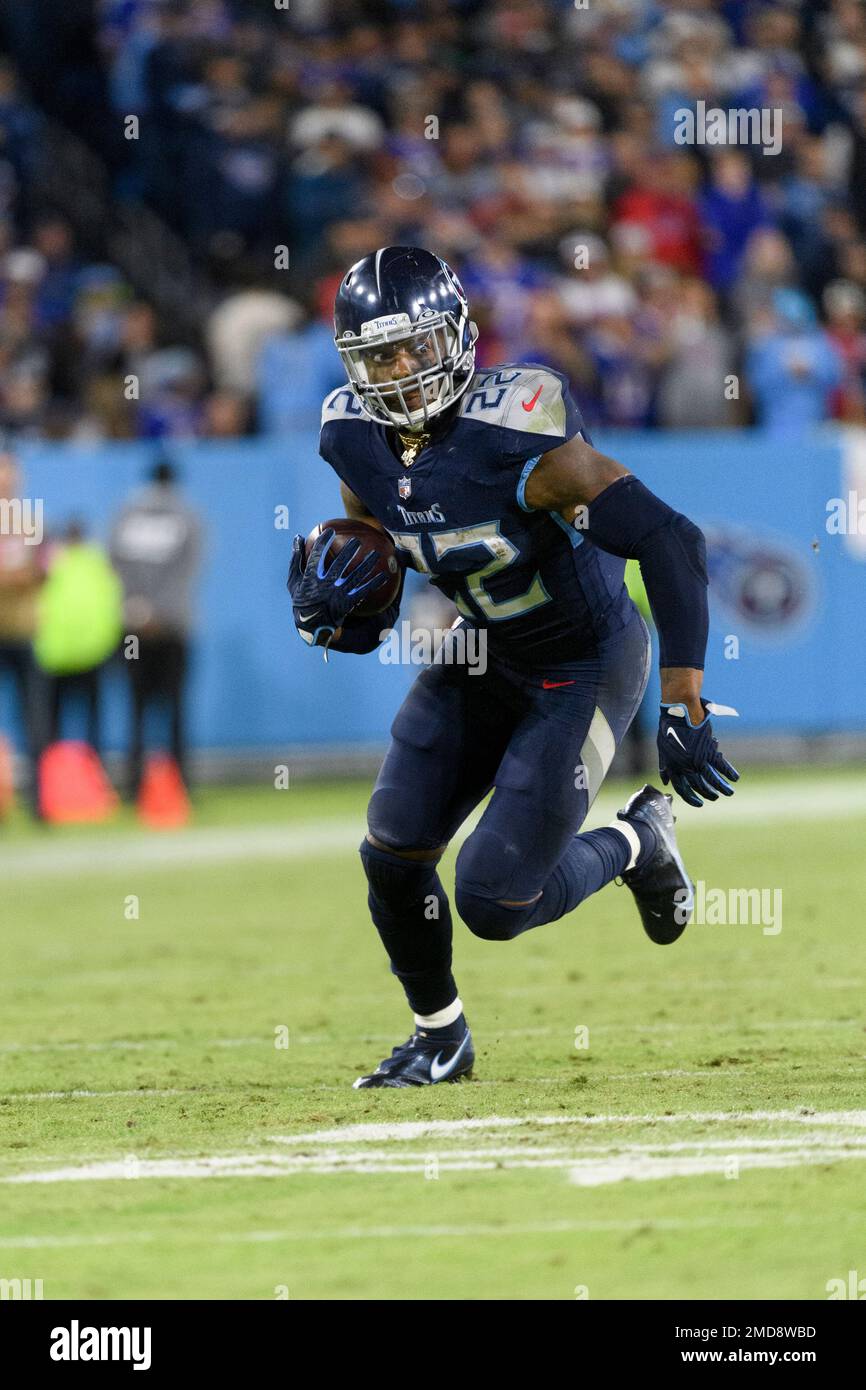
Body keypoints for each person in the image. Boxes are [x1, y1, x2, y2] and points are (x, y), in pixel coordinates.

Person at [288, 246, 739, 1089]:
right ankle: (440, 1038)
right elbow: (381, 525)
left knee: (493, 901)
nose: (398, 370)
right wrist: (361, 591)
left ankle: (639, 841)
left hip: (585, 658)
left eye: (413, 347)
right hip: (485, 650)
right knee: (391, 849)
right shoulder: (351, 435)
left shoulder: (517, 427)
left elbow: (669, 539)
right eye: (378, 355)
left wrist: (685, 701)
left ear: (455, 335)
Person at [109, 459, 202, 795]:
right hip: (172, 628)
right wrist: (162, 612)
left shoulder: (126, 515)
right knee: (176, 709)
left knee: (136, 711)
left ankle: (134, 787)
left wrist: (138, 607)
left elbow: (115, 564)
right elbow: (187, 570)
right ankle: (181, 786)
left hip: (133, 625)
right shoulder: (187, 517)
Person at [34, 519, 123, 755]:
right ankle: (93, 770)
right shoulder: (98, 562)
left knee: (51, 722)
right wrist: (119, 651)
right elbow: (115, 606)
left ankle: (53, 772)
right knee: (92, 719)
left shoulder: (50, 562)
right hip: (90, 654)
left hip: (55, 655)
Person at [0, 450, 47, 808]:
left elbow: (40, 571)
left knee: (35, 719)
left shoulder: (28, 516)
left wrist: (23, 576)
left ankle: (38, 800)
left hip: (26, 629)